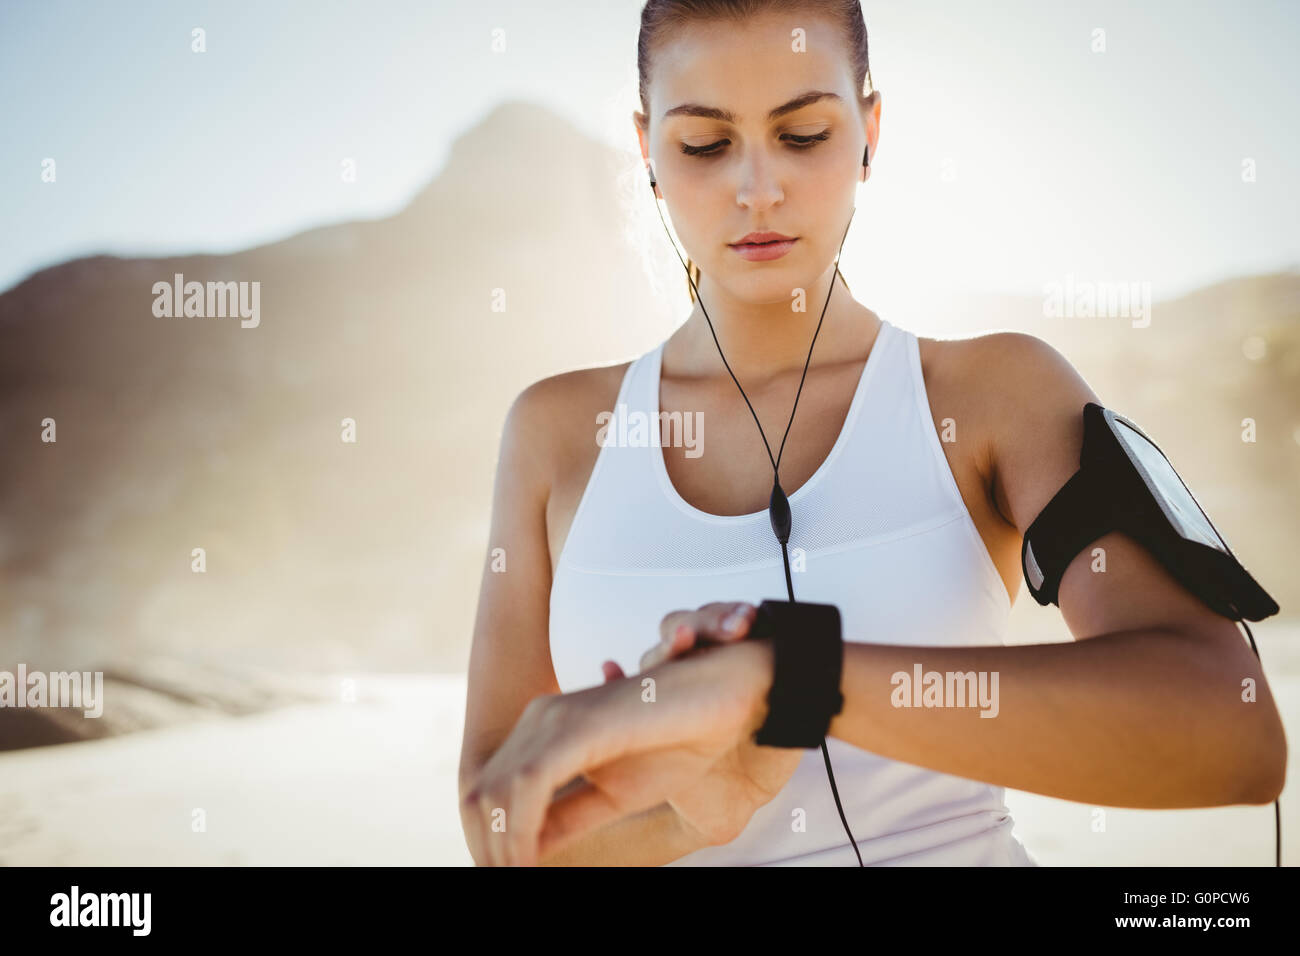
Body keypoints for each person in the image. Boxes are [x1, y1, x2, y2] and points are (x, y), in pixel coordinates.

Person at [457, 0, 1287, 867]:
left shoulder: (994, 391)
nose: (757, 189)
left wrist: (783, 677)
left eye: (804, 133)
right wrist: (700, 814)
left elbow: (1235, 733)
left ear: (869, 132)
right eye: (704, 144)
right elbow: (507, 827)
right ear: (647, 152)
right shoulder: (556, 434)